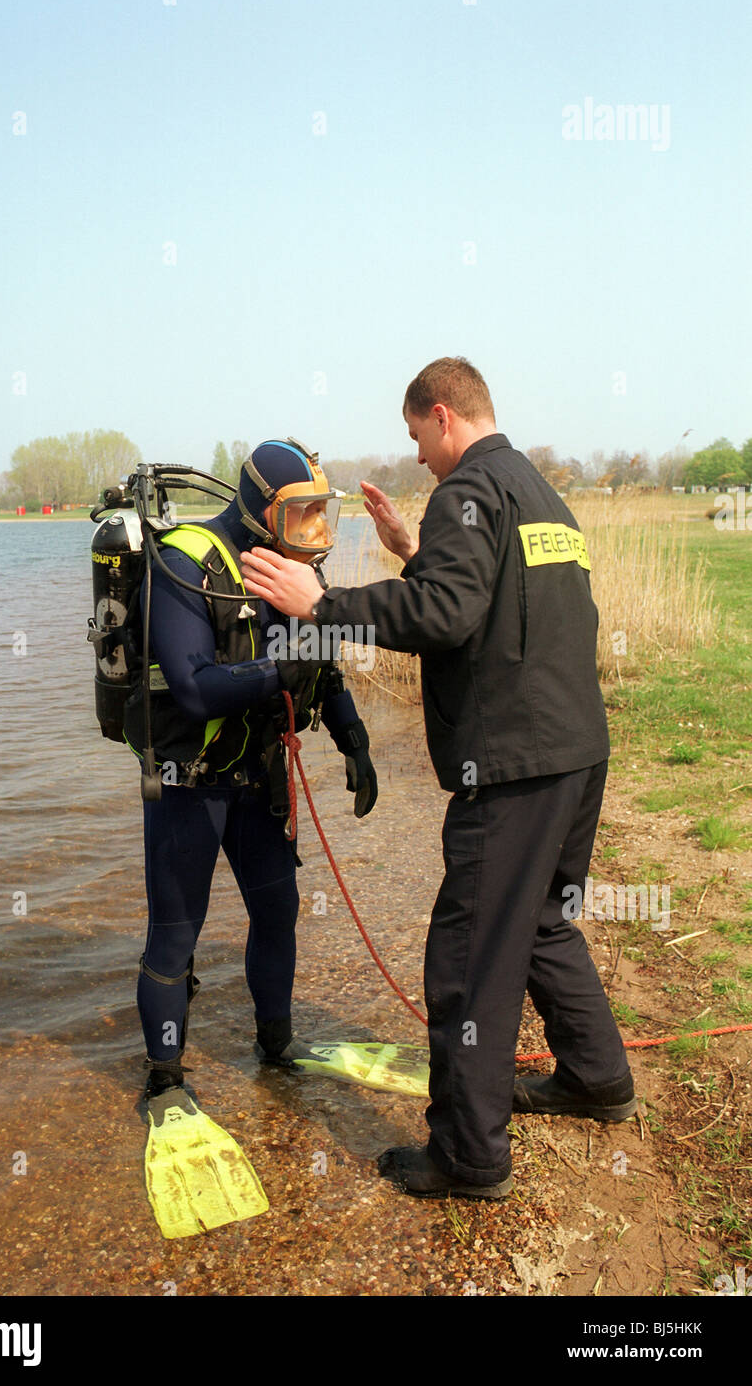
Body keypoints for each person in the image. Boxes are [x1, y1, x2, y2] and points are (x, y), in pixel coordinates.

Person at [240, 358, 636, 1201]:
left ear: (443, 415)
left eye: (418, 436)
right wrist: (418, 553)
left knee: (471, 961)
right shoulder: (538, 495)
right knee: (542, 927)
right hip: (577, 753)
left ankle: (467, 1156)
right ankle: (597, 1077)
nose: (419, 457)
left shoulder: (467, 494)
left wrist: (322, 603)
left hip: (514, 766)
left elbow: (444, 617)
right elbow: (495, 602)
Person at [126, 438, 378, 1102]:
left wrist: (355, 741)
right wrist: (278, 670)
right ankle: (166, 1079)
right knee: (176, 935)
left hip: (258, 779)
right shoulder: (183, 563)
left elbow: (322, 662)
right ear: (263, 507)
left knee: (279, 914)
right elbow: (193, 688)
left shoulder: (297, 571)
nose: (314, 533)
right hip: (190, 784)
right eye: (302, 515)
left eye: (322, 514)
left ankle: (276, 1047)